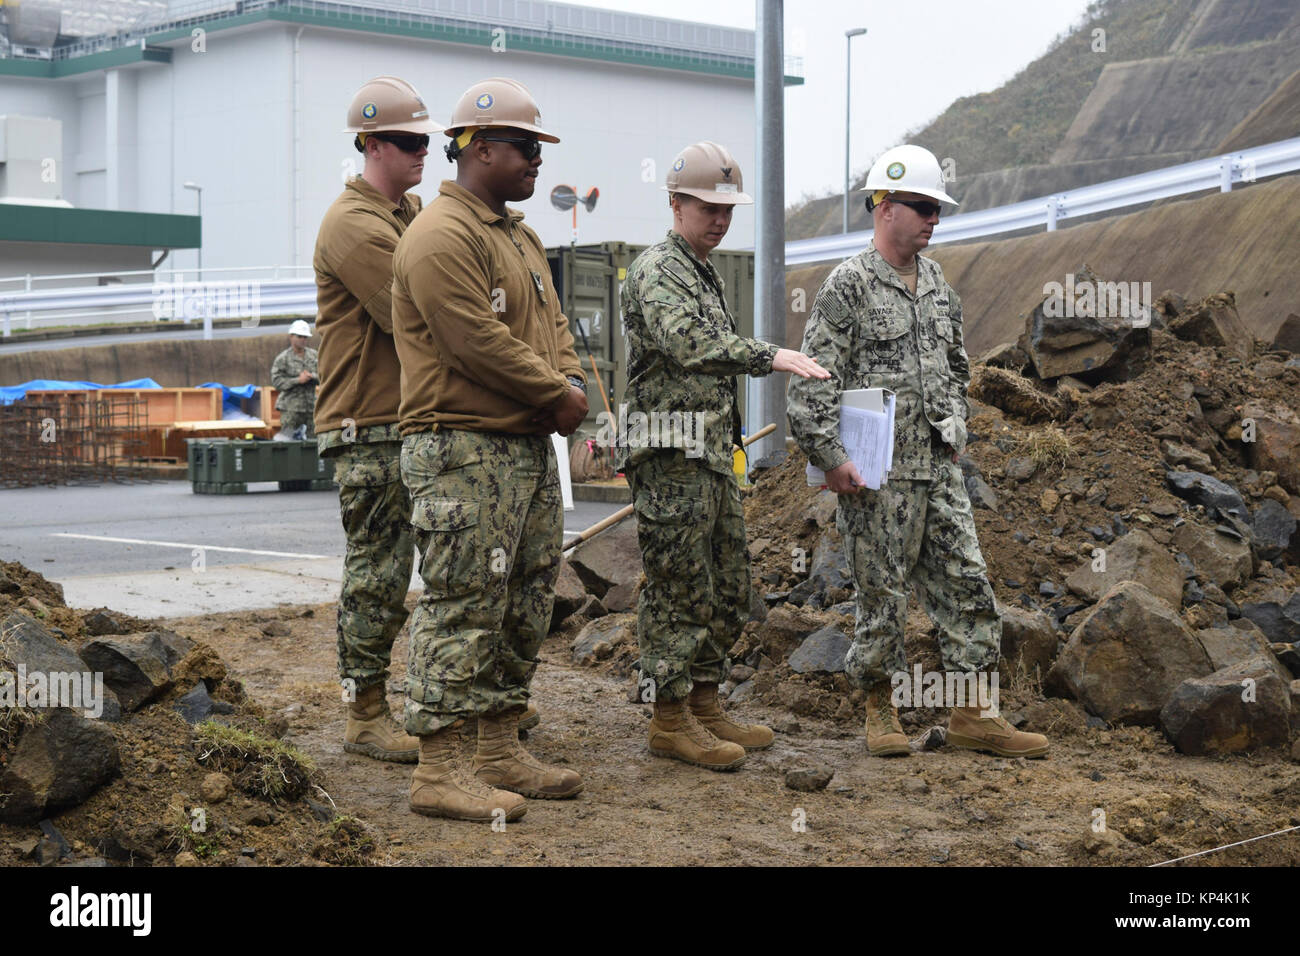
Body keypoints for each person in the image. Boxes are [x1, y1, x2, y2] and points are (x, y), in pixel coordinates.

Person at [788, 144, 1048, 759]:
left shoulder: (937, 286)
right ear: (885, 207)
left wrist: (954, 427)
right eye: (924, 207)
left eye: (938, 210)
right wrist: (830, 458)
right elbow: (812, 378)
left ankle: (973, 713)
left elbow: (957, 366)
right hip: (876, 474)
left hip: (937, 466)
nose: (935, 220)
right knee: (883, 593)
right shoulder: (846, 287)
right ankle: (881, 709)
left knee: (968, 585)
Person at [391, 77, 587, 823]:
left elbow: (553, 326)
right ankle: (438, 769)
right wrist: (556, 395)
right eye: (527, 147)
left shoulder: (519, 235)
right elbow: (476, 341)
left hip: (522, 449)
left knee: (525, 598)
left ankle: (499, 747)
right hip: (461, 452)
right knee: (464, 601)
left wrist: (567, 379)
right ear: (478, 149)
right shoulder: (442, 234)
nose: (538, 161)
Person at [619, 141, 829, 771]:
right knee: (678, 589)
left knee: (726, 584)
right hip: (670, 455)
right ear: (677, 203)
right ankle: (668, 718)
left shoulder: (701, 267)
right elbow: (688, 342)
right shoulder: (659, 269)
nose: (720, 219)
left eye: (728, 209)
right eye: (709, 207)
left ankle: (705, 703)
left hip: (708, 454)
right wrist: (771, 355)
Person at [313, 75, 439, 764]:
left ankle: (443, 703)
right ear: (372, 144)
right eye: (409, 141)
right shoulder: (354, 224)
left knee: (442, 569)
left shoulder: (408, 214)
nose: (423, 151)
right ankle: (364, 714)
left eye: (426, 140)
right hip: (369, 425)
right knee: (379, 572)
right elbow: (414, 312)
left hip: (410, 421)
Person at [271, 319, 319, 438]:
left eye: (305, 337)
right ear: (291, 336)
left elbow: (326, 376)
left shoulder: (314, 355)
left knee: (313, 441)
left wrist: (312, 377)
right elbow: (276, 381)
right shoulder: (283, 358)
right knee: (288, 439)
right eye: (300, 336)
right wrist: (297, 380)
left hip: (311, 407)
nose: (303, 340)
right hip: (290, 409)